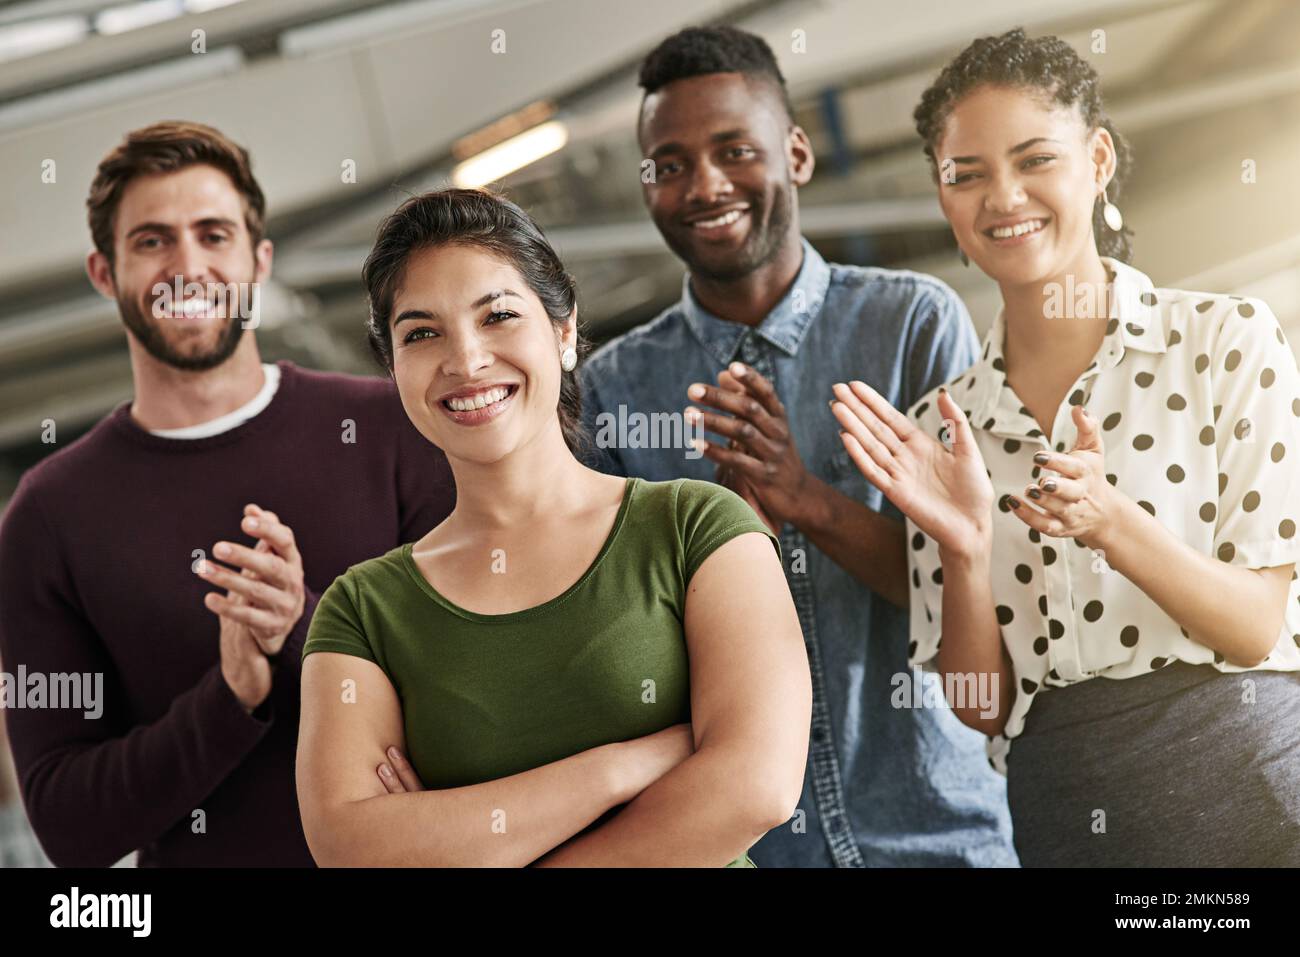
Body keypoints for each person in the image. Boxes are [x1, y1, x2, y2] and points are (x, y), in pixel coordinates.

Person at [832, 28, 1300, 866]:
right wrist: (965, 545)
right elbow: (980, 706)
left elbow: (1255, 625)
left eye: (1034, 159)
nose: (1002, 196)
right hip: (1066, 809)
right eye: (965, 174)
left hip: (1243, 788)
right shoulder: (943, 433)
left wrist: (1112, 521)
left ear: (1099, 160)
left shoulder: (1224, 341)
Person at [579, 25, 1017, 866]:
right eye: (669, 165)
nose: (704, 186)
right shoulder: (614, 389)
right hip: (748, 851)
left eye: (734, 150)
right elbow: (623, 663)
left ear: (799, 155)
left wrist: (803, 497)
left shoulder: (912, 324)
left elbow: (974, 593)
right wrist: (717, 551)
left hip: (939, 834)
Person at [295, 187, 811, 867]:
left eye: (499, 315)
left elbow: (757, 787)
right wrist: (618, 769)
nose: (466, 359)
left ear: (564, 332)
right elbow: (351, 845)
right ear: (393, 368)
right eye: (421, 332)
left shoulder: (697, 527)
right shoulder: (363, 610)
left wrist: (464, 841)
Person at [0, 121, 455, 867]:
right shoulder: (47, 517)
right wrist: (233, 694)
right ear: (104, 273)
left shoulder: (392, 429)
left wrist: (306, 632)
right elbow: (68, 825)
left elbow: (480, 694)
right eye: (152, 241)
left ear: (259, 259)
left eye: (213, 235)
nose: (188, 265)